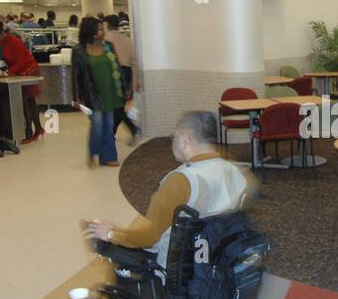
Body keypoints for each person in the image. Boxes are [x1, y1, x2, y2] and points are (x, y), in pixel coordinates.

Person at [84, 111, 255, 271]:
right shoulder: (235, 171)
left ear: (185, 139)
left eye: (174, 136)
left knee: (98, 237)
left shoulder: (180, 181)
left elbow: (150, 237)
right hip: (218, 260)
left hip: (180, 268)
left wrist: (112, 234)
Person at [72, 17, 125, 166]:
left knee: (109, 125)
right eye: (100, 29)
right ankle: (92, 151)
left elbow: (118, 68)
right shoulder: (79, 51)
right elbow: (76, 75)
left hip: (111, 92)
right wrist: (76, 97)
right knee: (97, 125)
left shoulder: (108, 46)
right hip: (92, 94)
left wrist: (125, 87)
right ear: (92, 32)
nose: (103, 32)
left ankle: (108, 157)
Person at [0, 21, 43, 144]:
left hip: (29, 71)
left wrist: (8, 73)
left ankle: (30, 130)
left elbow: (20, 62)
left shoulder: (15, 42)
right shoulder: (3, 42)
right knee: (27, 102)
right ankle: (35, 129)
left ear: (2, 33)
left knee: (28, 102)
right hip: (19, 72)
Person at [105, 13, 139, 143]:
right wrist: (137, 80)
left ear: (107, 25)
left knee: (116, 107)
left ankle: (130, 128)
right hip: (127, 73)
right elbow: (134, 61)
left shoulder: (105, 40)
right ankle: (114, 131)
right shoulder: (126, 40)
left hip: (113, 74)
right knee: (119, 106)